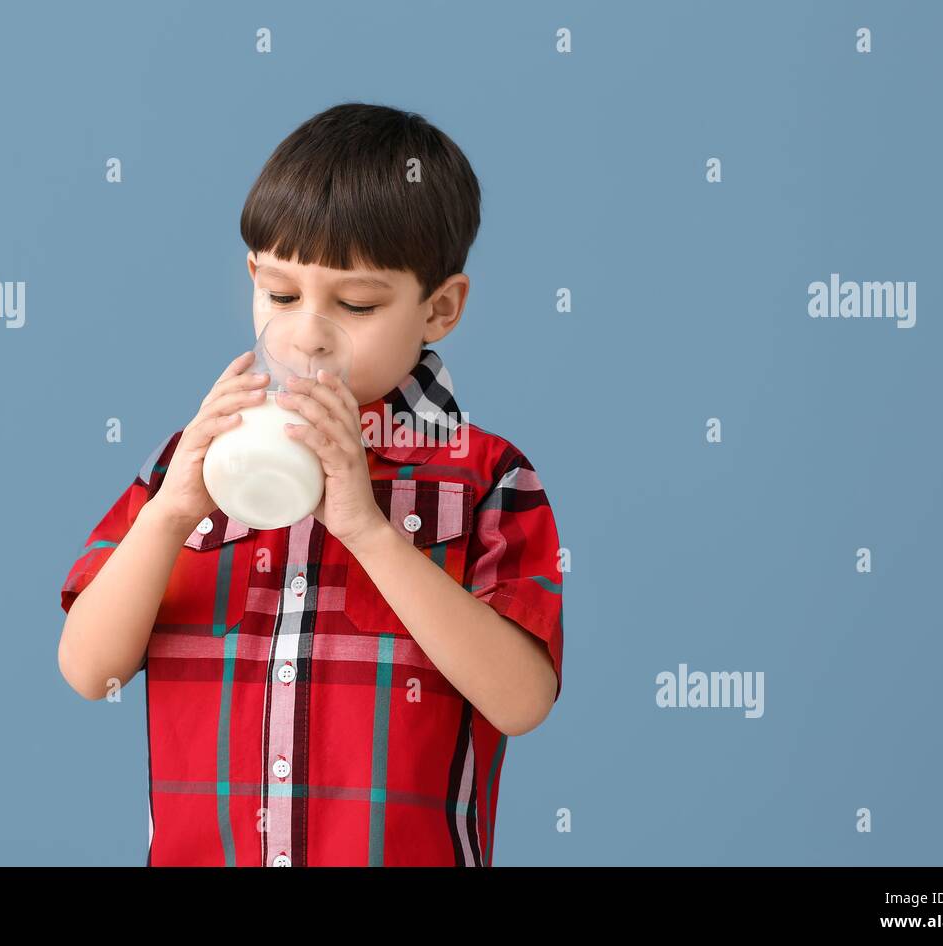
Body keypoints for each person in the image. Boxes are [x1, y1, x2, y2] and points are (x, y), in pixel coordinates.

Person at [57, 102, 564, 866]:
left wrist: (366, 527)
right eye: (282, 295)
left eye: (357, 304)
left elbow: (522, 702)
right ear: (253, 277)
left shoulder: (486, 474)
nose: (307, 334)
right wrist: (170, 516)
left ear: (441, 307)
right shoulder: (187, 465)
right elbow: (90, 673)